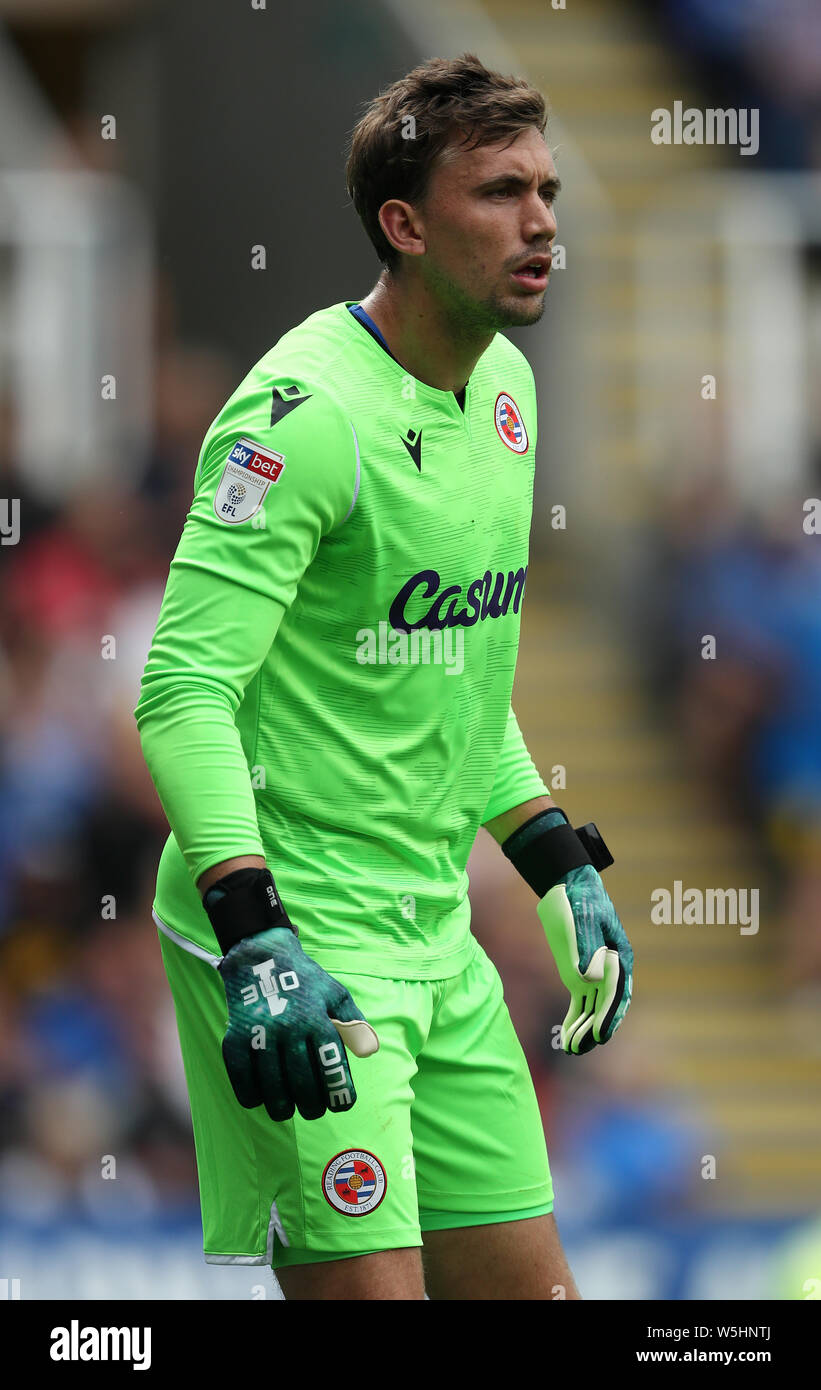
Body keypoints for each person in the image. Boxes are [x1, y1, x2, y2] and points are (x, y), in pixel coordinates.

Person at [134, 53, 633, 1302]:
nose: (540, 225)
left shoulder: (509, 395)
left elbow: (460, 671)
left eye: (548, 191)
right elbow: (181, 690)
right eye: (500, 193)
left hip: (438, 936)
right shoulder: (298, 420)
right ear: (404, 225)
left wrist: (555, 859)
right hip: (297, 932)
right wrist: (258, 937)